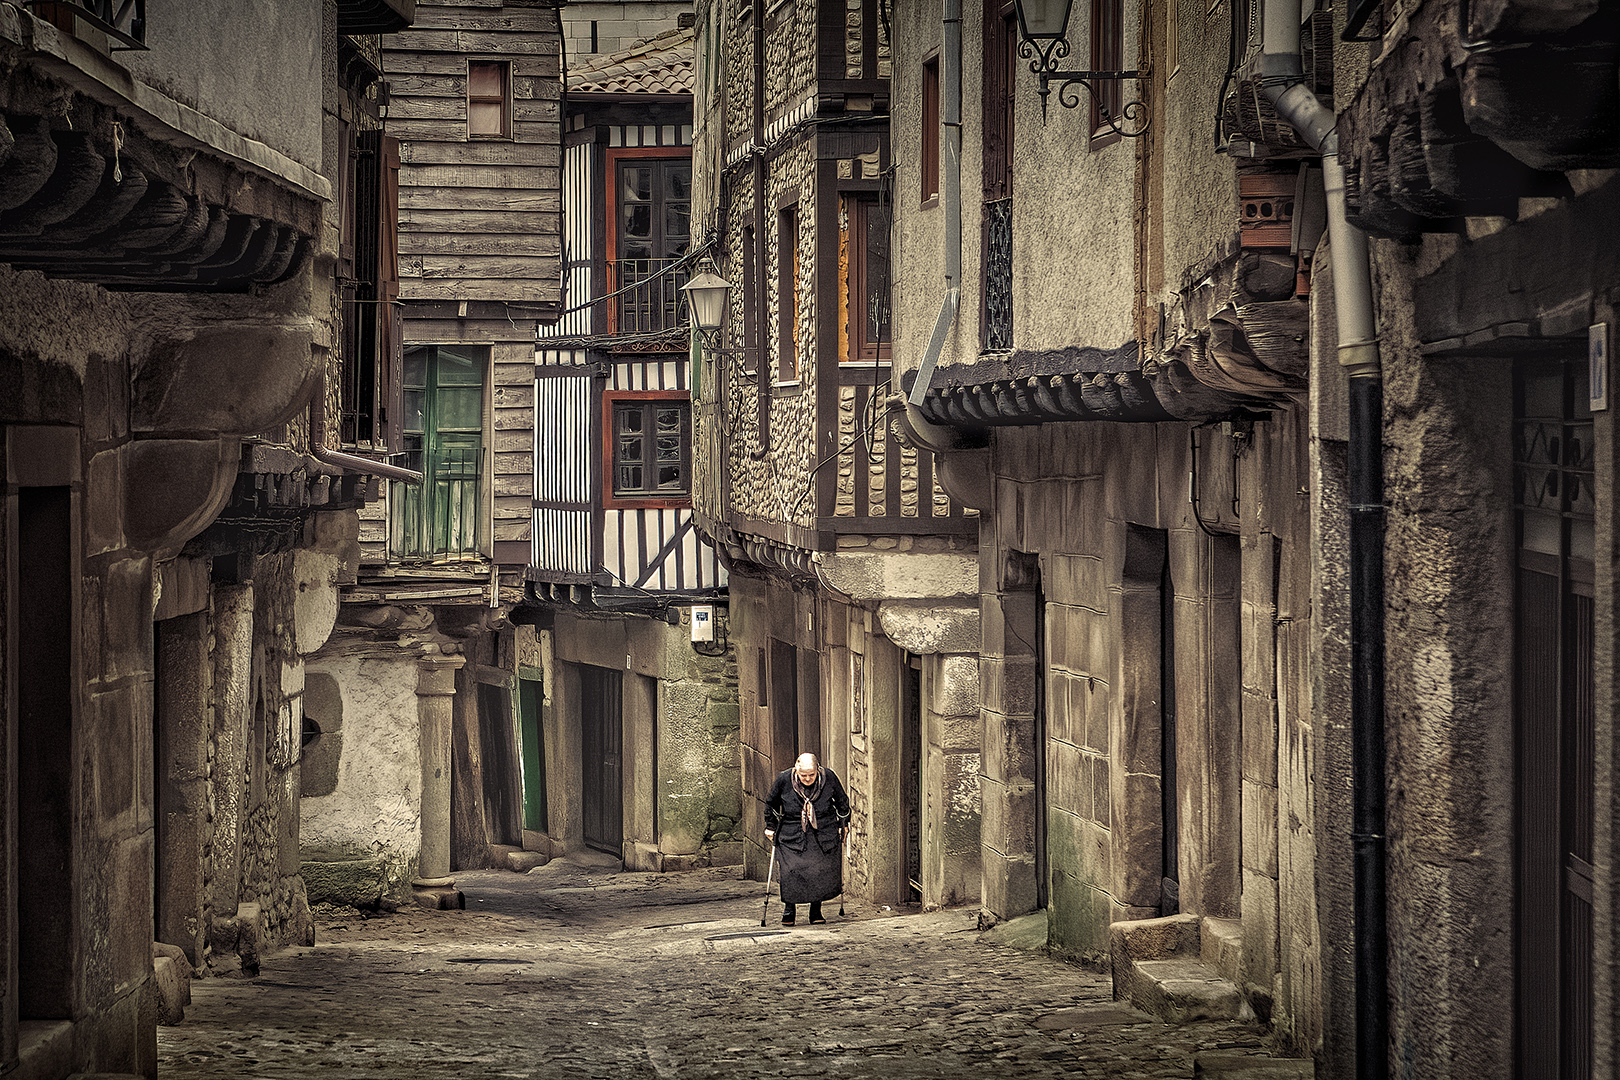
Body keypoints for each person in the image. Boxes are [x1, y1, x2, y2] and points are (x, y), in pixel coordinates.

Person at [764, 753, 850, 925]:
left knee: (818, 871)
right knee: (791, 871)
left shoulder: (829, 777)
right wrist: (770, 826)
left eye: (812, 774)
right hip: (791, 831)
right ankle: (789, 910)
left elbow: (842, 802)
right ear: (796, 769)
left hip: (823, 831)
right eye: (804, 775)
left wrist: (843, 823)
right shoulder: (784, 779)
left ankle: (815, 911)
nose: (808, 778)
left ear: (818, 769)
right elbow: (771, 803)